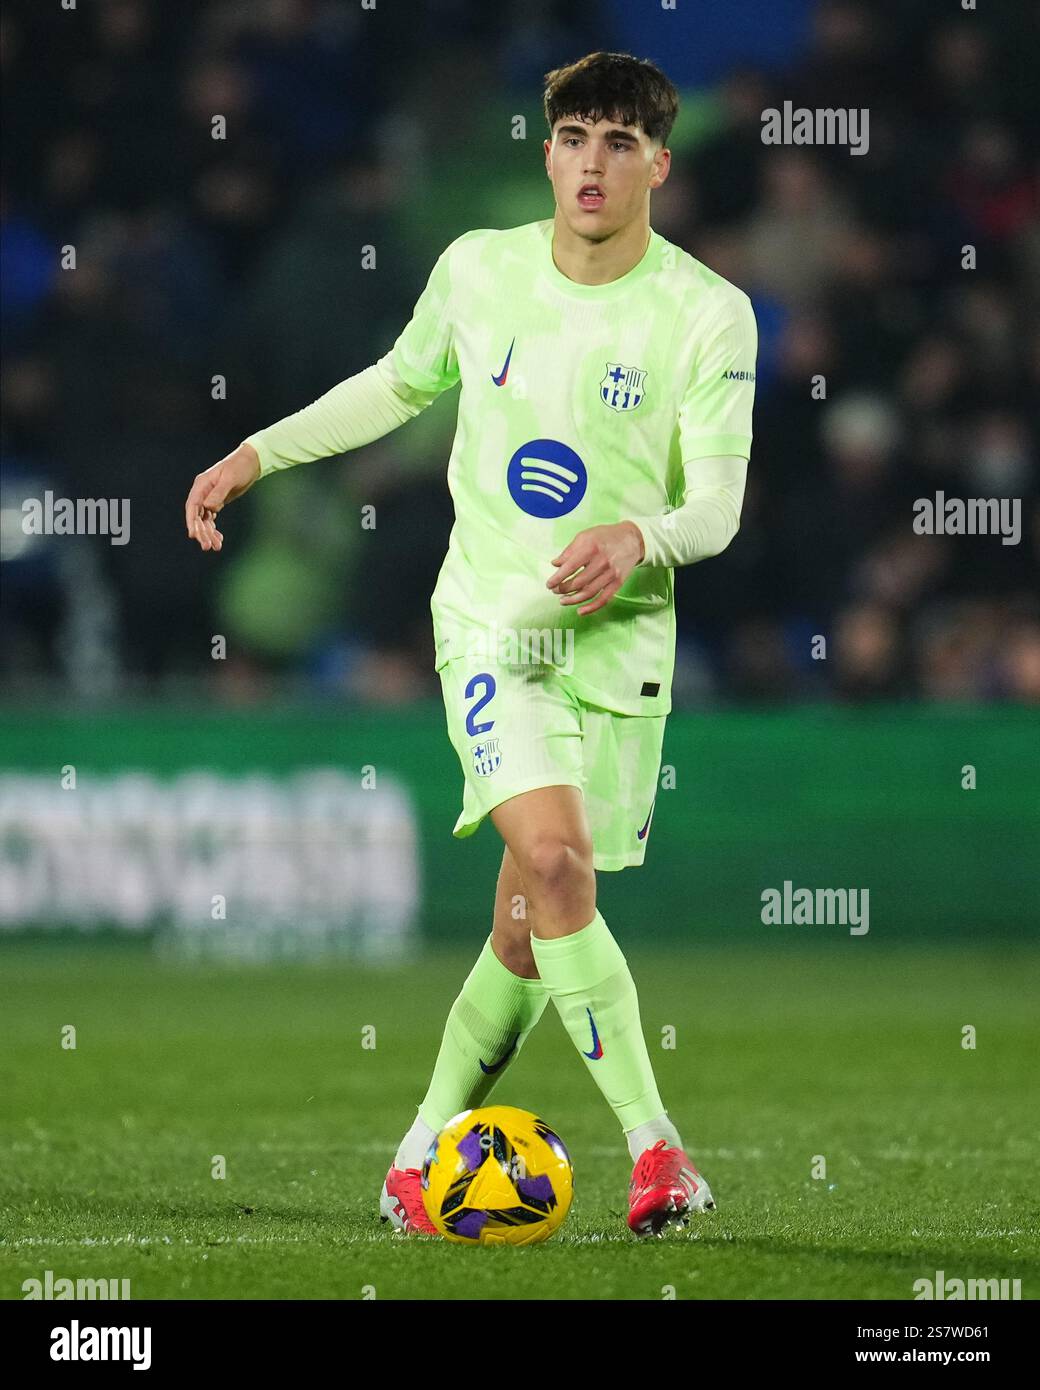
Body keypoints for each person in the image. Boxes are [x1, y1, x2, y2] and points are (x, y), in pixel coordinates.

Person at [185, 50, 757, 1237]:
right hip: (495, 625)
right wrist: (257, 452)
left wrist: (637, 538)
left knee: (525, 929)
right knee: (555, 868)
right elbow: (397, 385)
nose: (589, 165)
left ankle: (413, 1154)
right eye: (570, 138)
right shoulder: (480, 271)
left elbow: (715, 509)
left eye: (615, 143)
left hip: (618, 643)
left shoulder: (704, 313)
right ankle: (656, 1153)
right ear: (544, 148)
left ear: (658, 160)